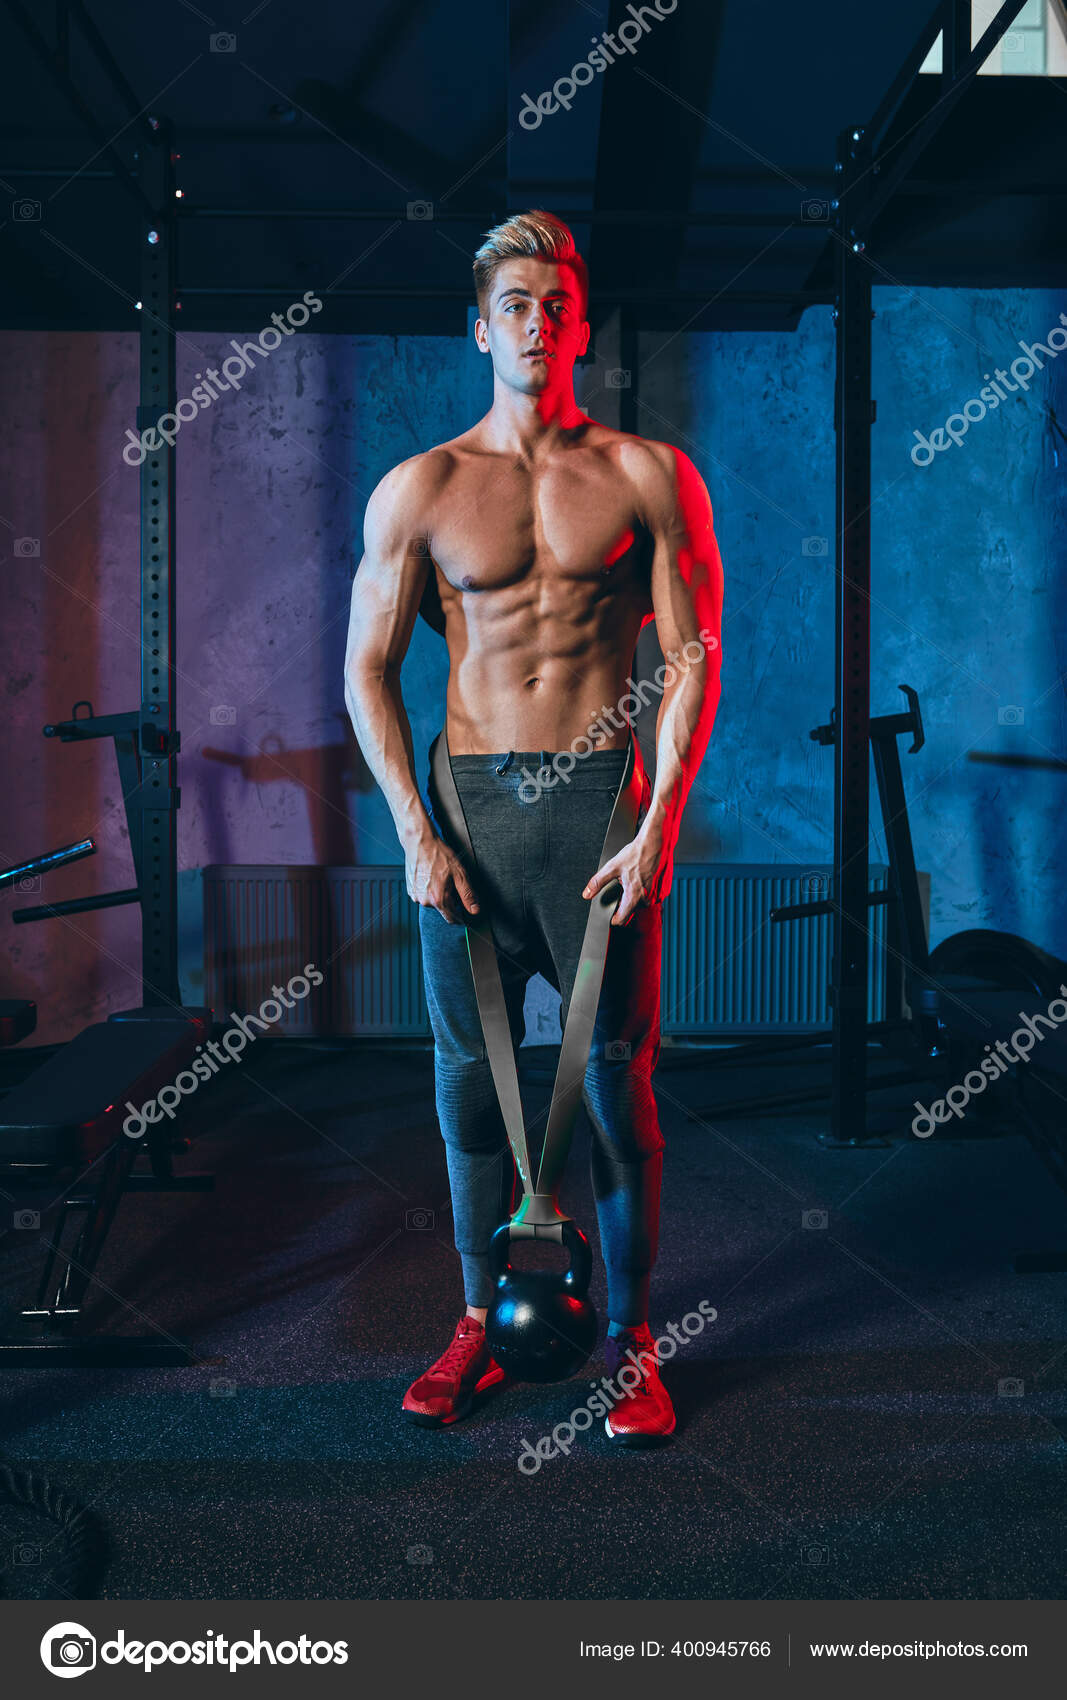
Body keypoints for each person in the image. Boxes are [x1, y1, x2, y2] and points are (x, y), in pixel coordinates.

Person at [344, 210, 722, 1445]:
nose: (536, 319)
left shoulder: (642, 475)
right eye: (514, 301)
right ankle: (471, 1318)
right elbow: (366, 670)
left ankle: (629, 1340)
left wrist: (658, 817)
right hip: (469, 815)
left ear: (576, 324)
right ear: (478, 326)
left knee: (616, 1090)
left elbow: (688, 654)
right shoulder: (423, 488)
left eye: (555, 303)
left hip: (597, 814)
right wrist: (413, 828)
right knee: (465, 1093)